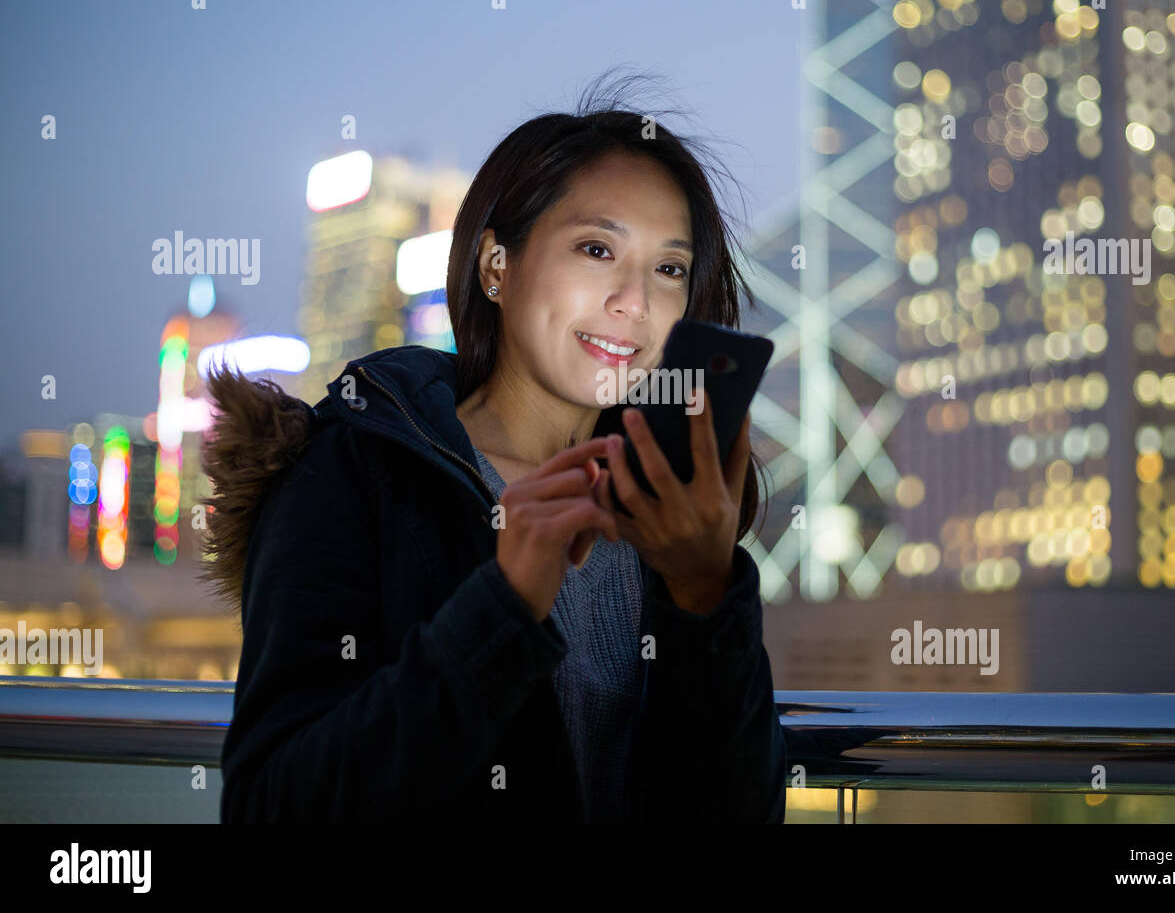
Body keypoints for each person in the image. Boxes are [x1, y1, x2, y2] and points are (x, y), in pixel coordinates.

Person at [201, 72, 787, 823]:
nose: (635, 301)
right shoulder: (352, 471)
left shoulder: (666, 508)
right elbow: (272, 806)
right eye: (596, 248)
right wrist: (503, 610)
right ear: (496, 266)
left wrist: (707, 598)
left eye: (669, 269)